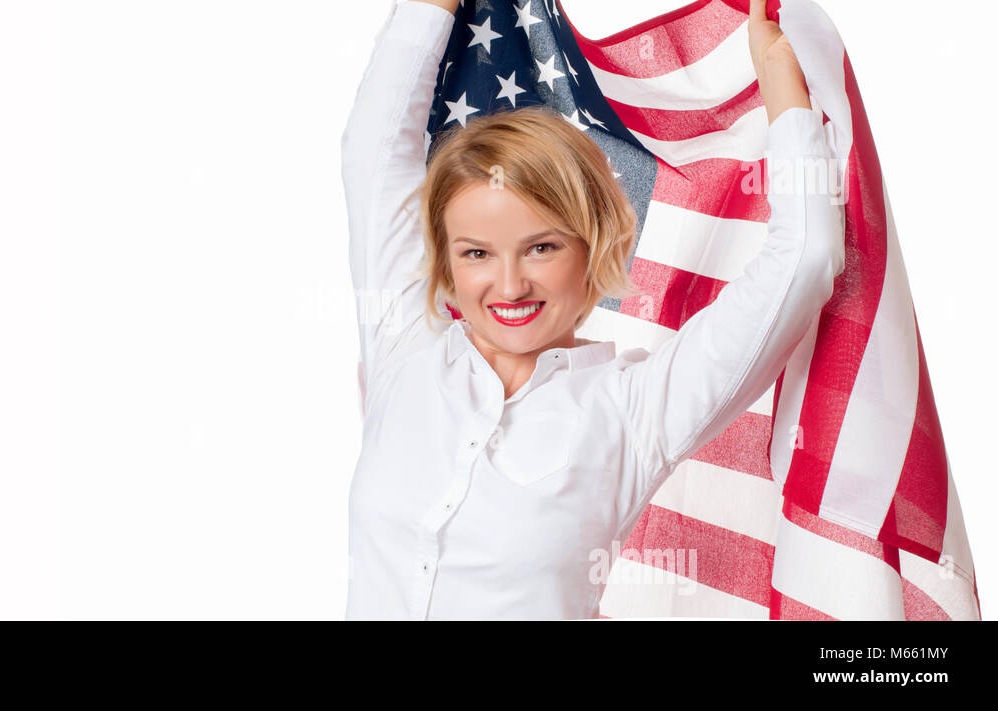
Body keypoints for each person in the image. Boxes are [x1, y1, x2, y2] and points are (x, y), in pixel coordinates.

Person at [340, 0, 844, 619]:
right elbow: (375, 144)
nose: (509, 284)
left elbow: (806, 256)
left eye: (542, 247)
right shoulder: (403, 346)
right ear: (446, 262)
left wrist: (780, 82)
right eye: (476, 252)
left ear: (591, 248)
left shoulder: (633, 411)